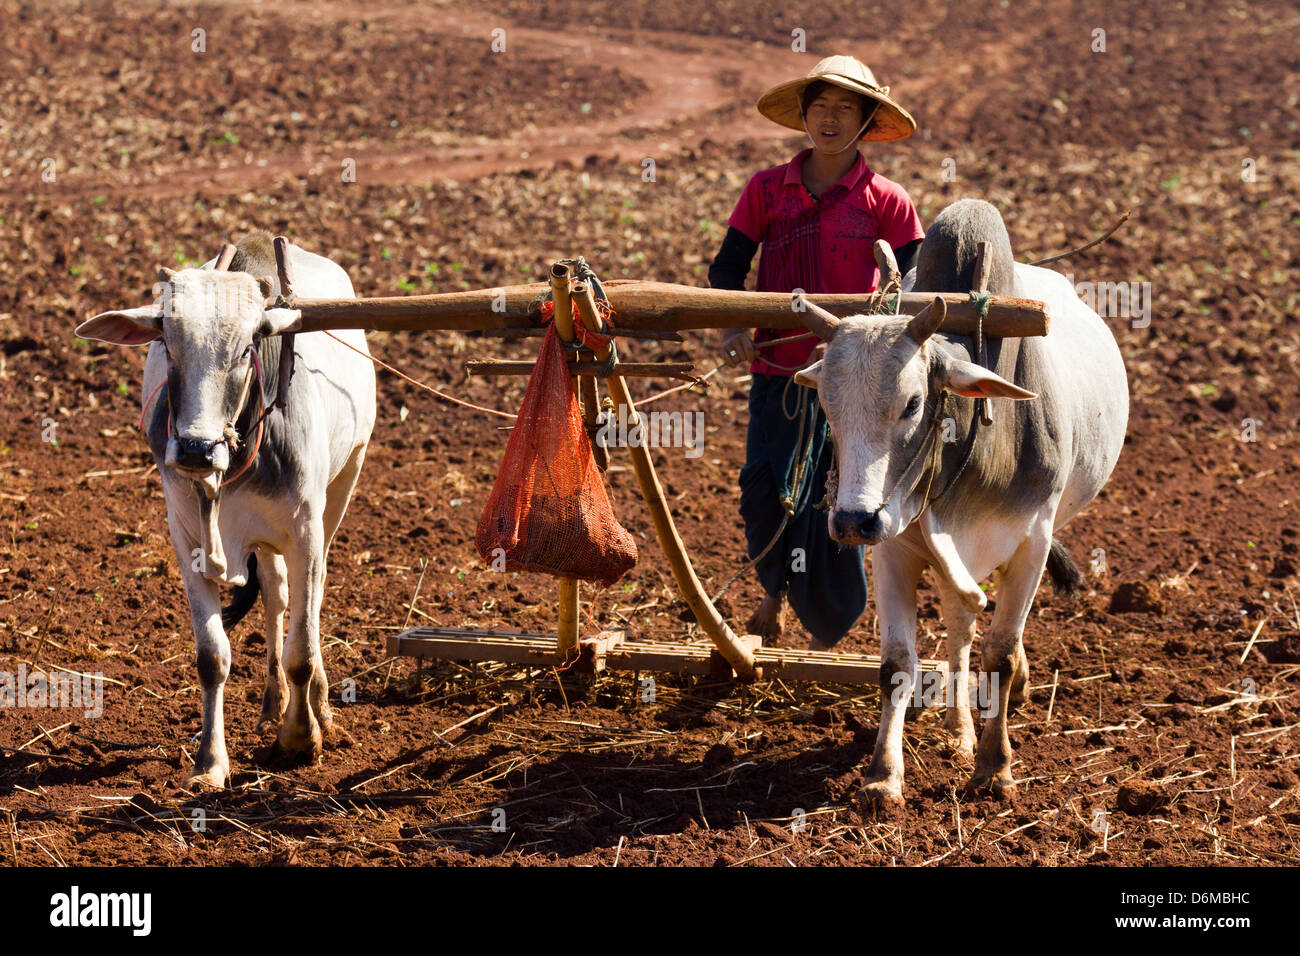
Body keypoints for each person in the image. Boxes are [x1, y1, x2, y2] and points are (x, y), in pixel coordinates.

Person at [708, 54, 925, 649]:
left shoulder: (888, 200)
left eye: (845, 109)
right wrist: (731, 328)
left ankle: (832, 622)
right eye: (820, 108)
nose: (830, 119)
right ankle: (774, 590)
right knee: (766, 488)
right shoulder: (766, 190)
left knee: (836, 492)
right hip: (779, 368)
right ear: (803, 116)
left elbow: (916, 289)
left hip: (856, 383)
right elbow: (727, 268)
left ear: (866, 120)